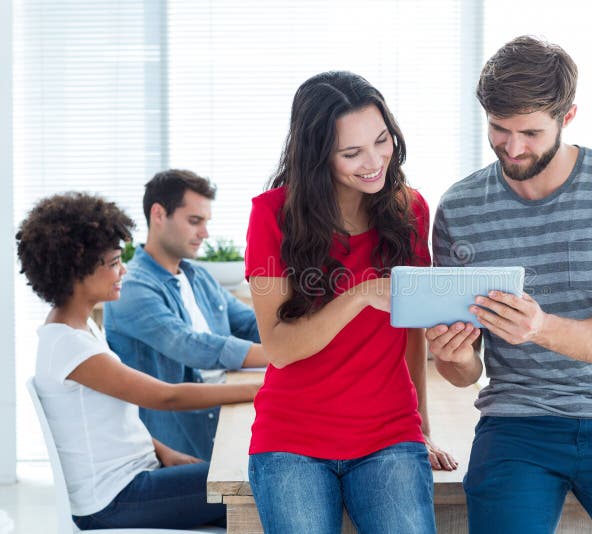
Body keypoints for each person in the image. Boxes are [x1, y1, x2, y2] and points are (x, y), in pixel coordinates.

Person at [428, 36, 592, 533]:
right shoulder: (459, 208)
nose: (512, 148)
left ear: (567, 116)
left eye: (530, 132)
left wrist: (540, 327)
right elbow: (466, 373)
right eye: (499, 129)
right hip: (516, 426)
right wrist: (454, 357)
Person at [245, 71, 455, 534]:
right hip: (291, 439)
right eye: (351, 153)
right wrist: (359, 295)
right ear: (318, 155)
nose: (374, 162)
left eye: (382, 141)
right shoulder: (271, 215)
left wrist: (421, 427)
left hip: (389, 435)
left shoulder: (410, 210)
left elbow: (411, 332)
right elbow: (279, 347)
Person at [16, 192, 259, 530]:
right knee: (254, 480)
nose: (123, 270)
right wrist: (262, 389)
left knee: (247, 492)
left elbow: (114, 421)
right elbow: (166, 396)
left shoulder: (79, 329)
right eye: (114, 262)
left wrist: (164, 452)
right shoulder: (69, 346)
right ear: (78, 267)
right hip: (116, 500)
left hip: (135, 481)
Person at [104, 169, 265, 461]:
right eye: (194, 221)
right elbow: (191, 345)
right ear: (158, 214)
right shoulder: (132, 287)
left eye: (206, 222)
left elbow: (251, 323)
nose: (204, 233)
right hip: (183, 445)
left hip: (225, 412)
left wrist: (300, 335)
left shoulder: (197, 276)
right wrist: (282, 353)